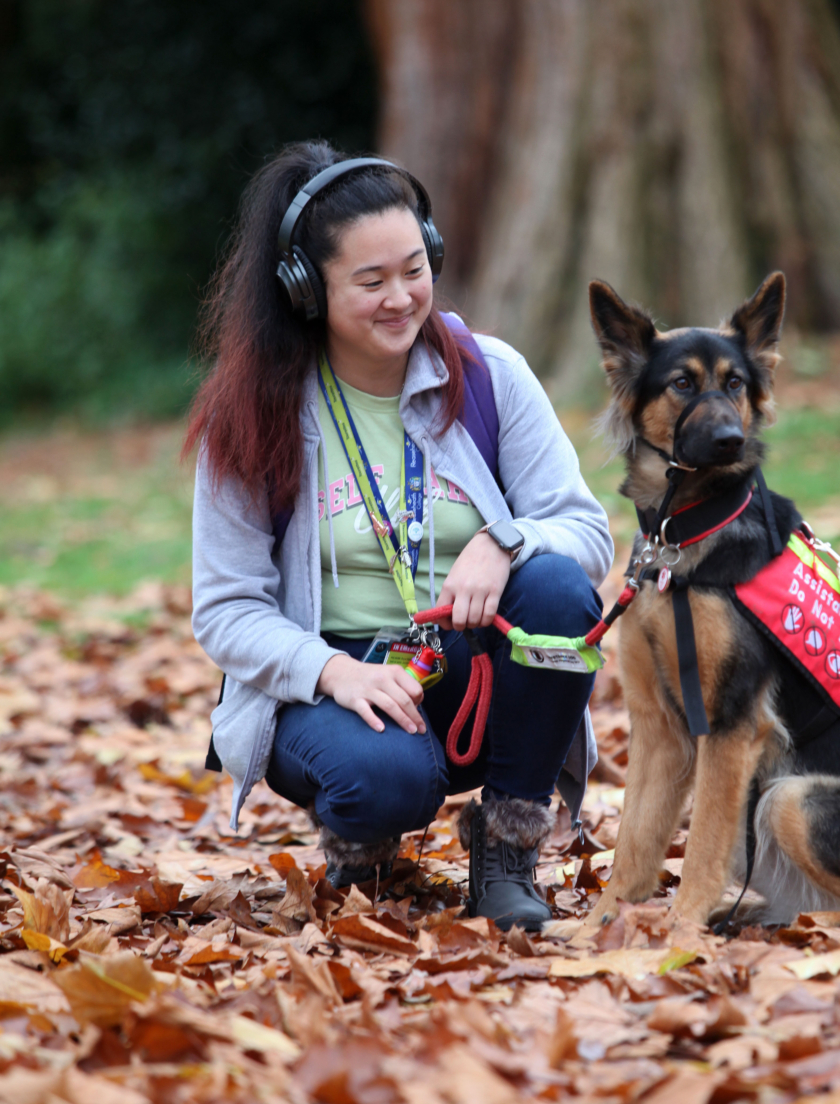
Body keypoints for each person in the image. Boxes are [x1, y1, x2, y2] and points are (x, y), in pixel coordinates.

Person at [186, 142, 614, 930]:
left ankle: (508, 853)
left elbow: (586, 532)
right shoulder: (252, 413)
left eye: (415, 269)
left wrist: (507, 542)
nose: (401, 298)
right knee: (383, 781)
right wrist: (332, 672)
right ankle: (364, 847)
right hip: (331, 683)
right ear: (305, 288)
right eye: (371, 281)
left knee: (557, 586)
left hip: (469, 668)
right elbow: (226, 609)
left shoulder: (490, 376)